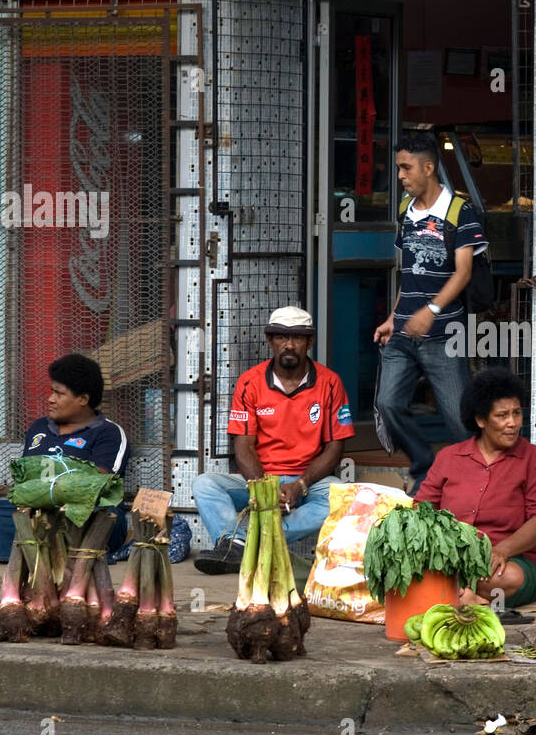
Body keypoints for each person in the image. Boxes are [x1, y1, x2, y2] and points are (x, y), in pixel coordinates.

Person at [193, 306, 355, 574]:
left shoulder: (330, 383)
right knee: (204, 484)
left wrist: (300, 484)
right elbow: (243, 446)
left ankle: (244, 544)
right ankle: (240, 541)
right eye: (280, 337)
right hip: (258, 481)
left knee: (340, 494)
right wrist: (263, 489)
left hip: (306, 483)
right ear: (270, 341)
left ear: (310, 341)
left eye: (297, 338)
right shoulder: (249, 383)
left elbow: (335, 447)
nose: (289, 345)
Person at [373, 131, 487, 494]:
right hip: (404, 332)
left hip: (443, 335)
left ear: (428, 167)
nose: (401, 176)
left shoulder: (459, 211)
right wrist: (394, 317)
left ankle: (478, 480)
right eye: (399, 168)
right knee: (388, 404)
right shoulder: (407, 213)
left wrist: (432, 310)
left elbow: (464, 272)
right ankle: (425, 466)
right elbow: (409, 274)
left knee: (459, 418)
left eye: (406, 168)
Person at [414, 367, 536, 609]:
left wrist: (502, 550)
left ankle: (456, 593)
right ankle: (471, 597)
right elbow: (422, 506)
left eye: (516, 414)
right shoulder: (450, 457)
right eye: (502, 416)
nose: (512, 423)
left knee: (507, 577)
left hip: (513, 560)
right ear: (480, 420)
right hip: (452, 559)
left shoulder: (535, 459)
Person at [0, 354, 130, 563]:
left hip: (83, 513)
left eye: (58, 393)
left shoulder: (109, 432)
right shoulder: (39, 428)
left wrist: (53, 494)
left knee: (106, 521)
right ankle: (48, 551)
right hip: (39, 513)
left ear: (83, 399)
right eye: (52, 392)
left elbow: (100, 482)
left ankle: (13, 549)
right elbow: (27, 478)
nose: (50, 399)